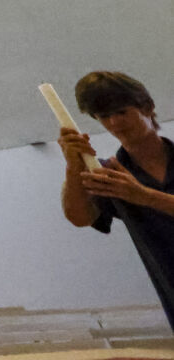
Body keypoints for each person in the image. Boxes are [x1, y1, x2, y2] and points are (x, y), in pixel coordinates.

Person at [57, 70, 174, 328]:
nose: (114, 123)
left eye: (121, 112)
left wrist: (144, 196)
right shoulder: (110, 173)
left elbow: (143, 196)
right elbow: (80, 217)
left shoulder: (125, 180)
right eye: (104, 116)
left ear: (147, 107)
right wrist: (73, 165)